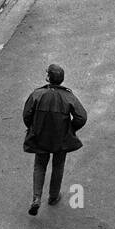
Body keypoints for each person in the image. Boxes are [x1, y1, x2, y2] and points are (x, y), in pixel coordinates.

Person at [22, 63, 87, 215]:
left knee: (40, 165)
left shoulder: (37, 94)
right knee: (58, 166)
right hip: (61, 138)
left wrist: (33, 128)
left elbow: (27, 115)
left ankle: (36, 198)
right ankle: (53, 196)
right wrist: (70, 129)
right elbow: (81, 117)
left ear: (48, 78)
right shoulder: (68, 96)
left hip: (40, 136)